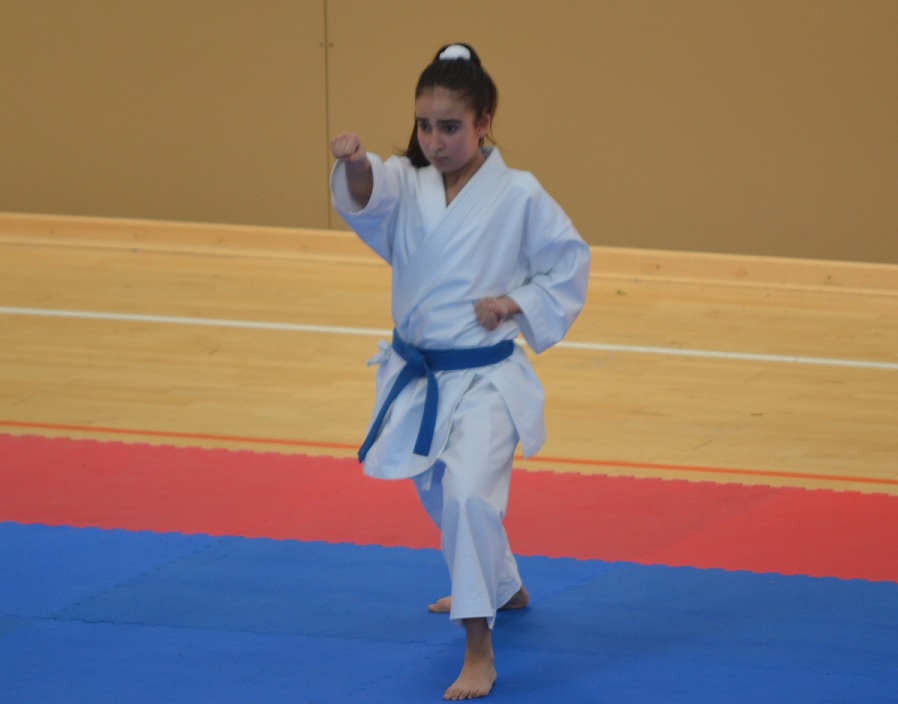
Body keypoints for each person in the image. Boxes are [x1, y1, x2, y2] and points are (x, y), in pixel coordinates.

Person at [329, 42, 590, 701]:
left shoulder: (520, 194)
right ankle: (504, 584)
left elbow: (568, 265)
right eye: (425, 125)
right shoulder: (403, 185)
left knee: (469, 495)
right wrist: (357, 164)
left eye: (450, 126)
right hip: (420, 380)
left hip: (486, 380)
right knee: (439, 493)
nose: (435, 140)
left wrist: (517, 303)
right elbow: (364, 200)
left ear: (484, 123)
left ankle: (479, 648)